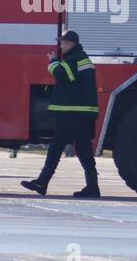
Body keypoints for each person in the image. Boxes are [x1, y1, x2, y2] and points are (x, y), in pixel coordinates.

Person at [22, 30, 100, 198]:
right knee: (84, 151)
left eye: (63, 43)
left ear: (71, 43)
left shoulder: (75, 59)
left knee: (56, 148)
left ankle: (42, 182)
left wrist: (52, 62)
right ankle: (92, 187)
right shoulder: (80, 58)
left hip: (73, 113)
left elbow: (62, 74)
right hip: (80, 114)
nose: (61, 46)